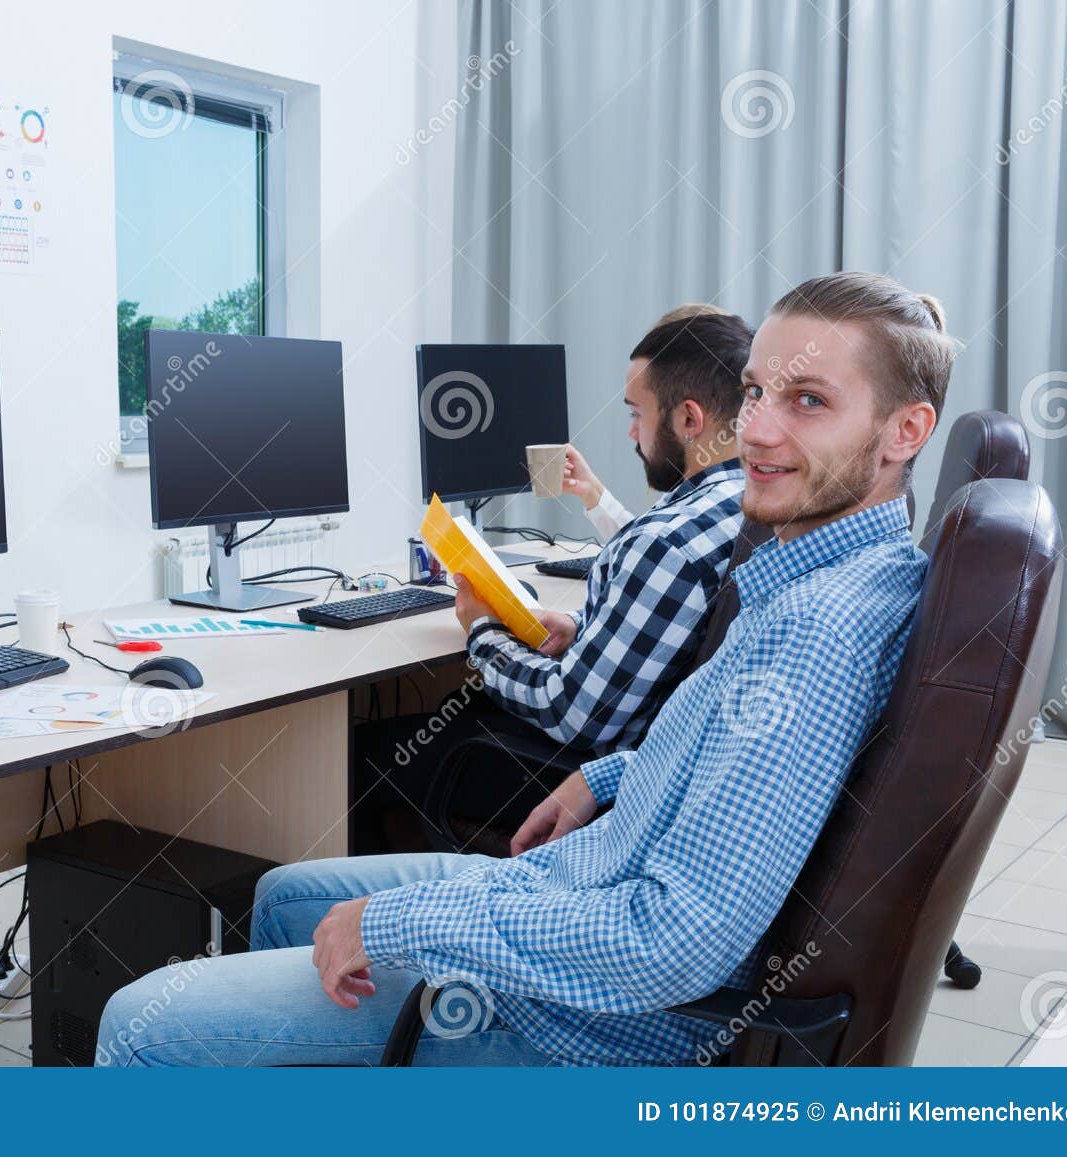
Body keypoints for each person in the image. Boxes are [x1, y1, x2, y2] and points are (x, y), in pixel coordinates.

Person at [95, 271, 958, 1066]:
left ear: (905, 429)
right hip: (589, 873)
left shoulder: (812, 631)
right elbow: (731, 748)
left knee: (138, 1022)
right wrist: (608, 775)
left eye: (808, 401)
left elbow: (671, 942)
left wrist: (403, 922)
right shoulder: (835, 574)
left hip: (573, 1018)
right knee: (288, 896)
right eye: (760, 392)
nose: (761, 430)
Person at [353, 308, 752, 853]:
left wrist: (483, 631)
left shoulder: (666, 542)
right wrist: (580, 626)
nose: (633, 433)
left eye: (637, 413)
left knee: (366, 755)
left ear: (689, 419)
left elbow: (571, 715)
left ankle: (377, 921)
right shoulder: (745, 507)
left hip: (592, 784)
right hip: (658, 769)